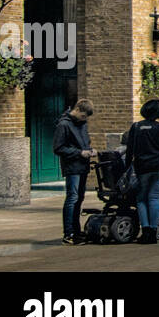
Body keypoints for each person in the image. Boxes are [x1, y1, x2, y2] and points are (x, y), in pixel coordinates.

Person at [123, 99, 159, 244]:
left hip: (142, 168)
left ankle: (145, 229)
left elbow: (130, 150)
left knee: (141, 199)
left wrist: (127, 169)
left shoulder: (136, 127)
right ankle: (153, 230)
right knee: (155, 198)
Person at [53, 98, 96, 245]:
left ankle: (77, 231)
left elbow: (85, 142)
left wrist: (90, 150)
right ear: (77, 110)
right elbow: (58, 148)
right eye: (83, 116)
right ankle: (69, 233)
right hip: (72, 166)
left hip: (82, 165)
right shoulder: (63, 125)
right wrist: (79, 153)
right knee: (72, 198)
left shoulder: (82, 124)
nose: (84, 119)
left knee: (79, 199)